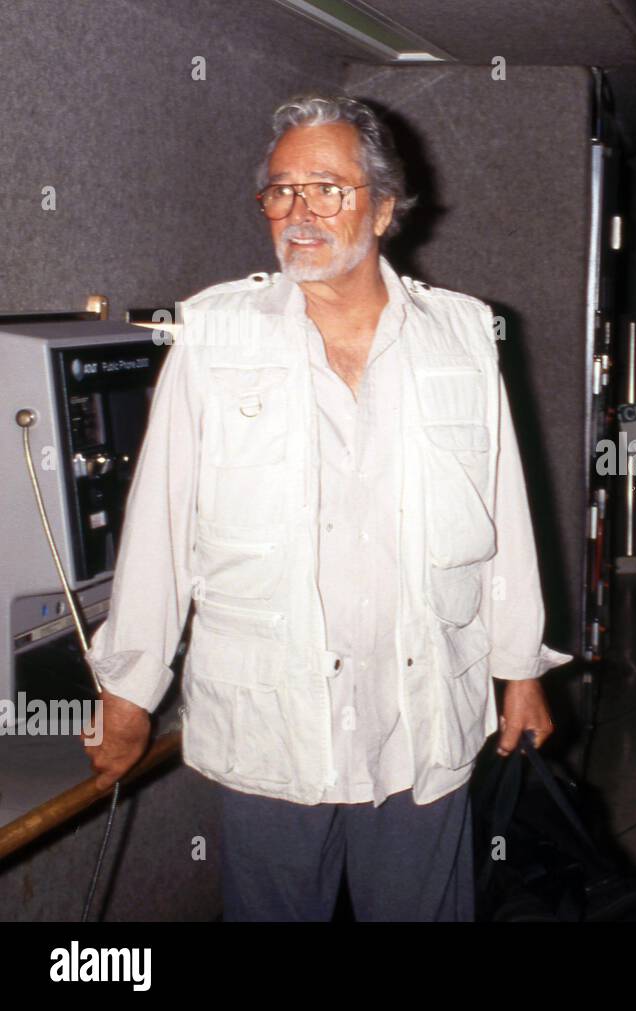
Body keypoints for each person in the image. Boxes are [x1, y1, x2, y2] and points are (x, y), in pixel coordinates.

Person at [81, 93, 570, 921]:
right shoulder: (213, 335)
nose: (299, 212)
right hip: (272, 708)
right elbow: (159, 529)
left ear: (383, 208)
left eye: (328, 188)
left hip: (418, 713)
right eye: (281, 191)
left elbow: (505, 513)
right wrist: (128, 690)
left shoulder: (462, 336)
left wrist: (519, 669)